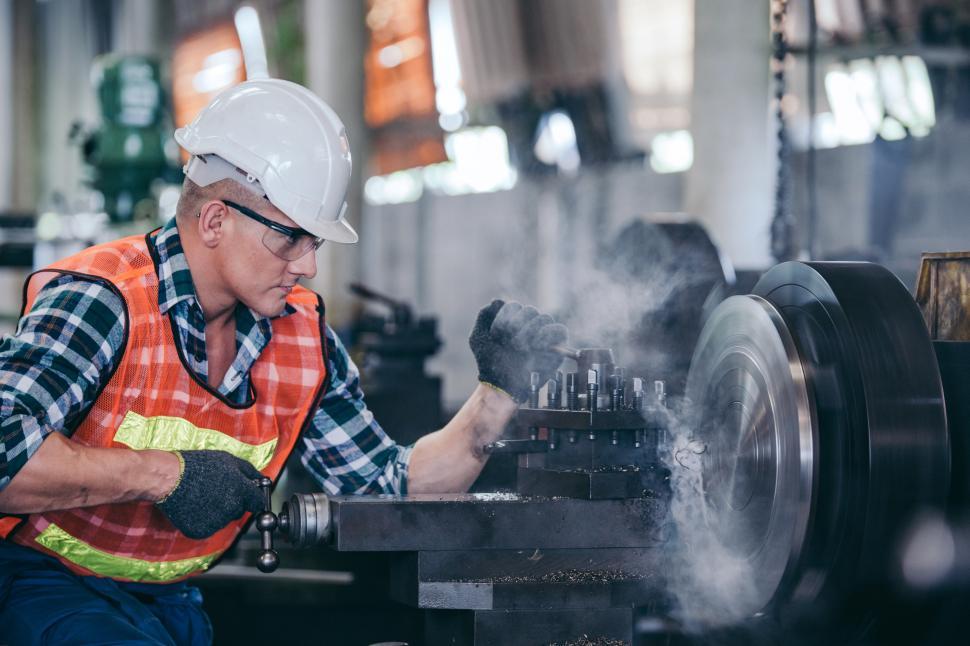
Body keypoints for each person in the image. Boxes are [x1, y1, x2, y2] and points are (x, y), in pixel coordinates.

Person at [0, 78, 567, 645]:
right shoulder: (105, 299)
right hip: (41, 587)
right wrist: (165, 476)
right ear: (215, 220)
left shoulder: (301, 338)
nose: (309, 267)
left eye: (316, 243)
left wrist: (497, 393)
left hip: (175, 605)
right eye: (291, 238)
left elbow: (396, 490)